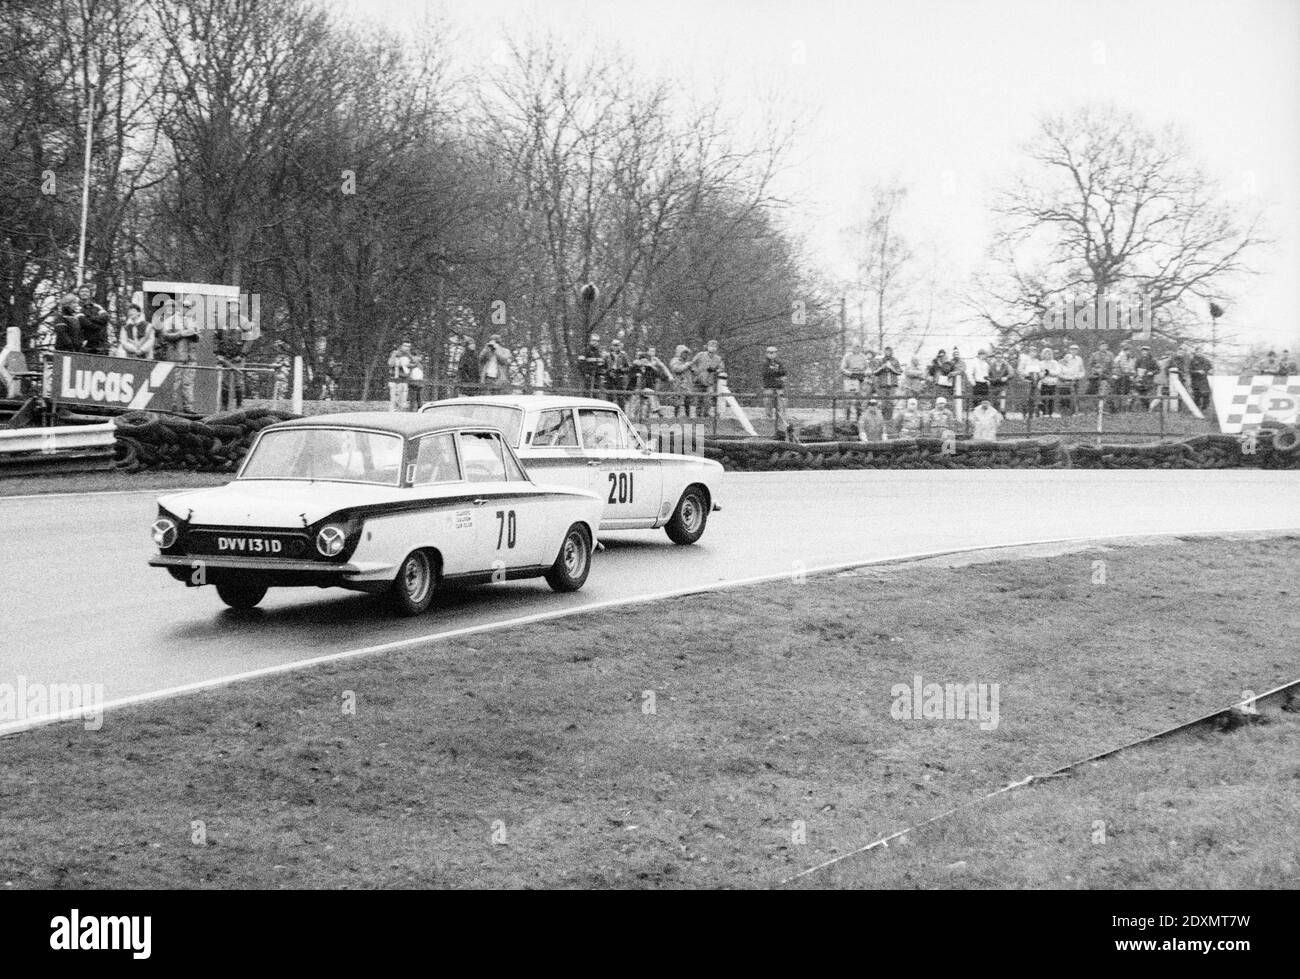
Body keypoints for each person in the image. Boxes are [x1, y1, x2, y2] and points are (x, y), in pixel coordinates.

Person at [215, 297, 256, 409]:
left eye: (235, 305)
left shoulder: (244, 321)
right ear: (228, 306)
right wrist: (218, 353)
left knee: (238, 382)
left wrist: (242, 354)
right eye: (231, 305)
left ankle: (239, 406)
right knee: (225, 383)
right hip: (225, 358)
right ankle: (224, 406)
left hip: (238, 358)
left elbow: (249, 339)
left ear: (238, 307)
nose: (233, 308)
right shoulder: (222, 321)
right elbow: (216, 339)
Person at [630, 346, 671, 422]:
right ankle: (655, 409)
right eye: (642, 360)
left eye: (645, 360)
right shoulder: (635, 367)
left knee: (649, 395)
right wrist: (636, 375)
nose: (644, 362)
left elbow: (660, 375)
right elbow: (630, 375)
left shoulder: (650, 369)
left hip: (645, 390)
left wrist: (667, 378)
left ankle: (653, 411)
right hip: (635, 390)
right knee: (635, 407)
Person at [690, 340, 726, 418]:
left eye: (714, 347)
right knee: (699, 399)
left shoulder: (718, 358)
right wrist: (695, 371)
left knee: (709, 399)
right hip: (699, 380)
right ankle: (698, 415)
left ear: (716, 348)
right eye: (711, 346)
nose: (712, 348)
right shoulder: (700, 355)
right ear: (707, 347)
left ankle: (706, 414)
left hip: (709, 381)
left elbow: (722, 368)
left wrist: (715, 370)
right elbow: (692, 364)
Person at [760, 345, 789, 437]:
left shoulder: (779, 362)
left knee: (782, 402)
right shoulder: (764, 363)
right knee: (768, 402)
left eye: (773, 352)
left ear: (776, 353)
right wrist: (777, 373)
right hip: (768, 386)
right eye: (770, 352)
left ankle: (782, 419)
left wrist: (775, 372)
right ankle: (769, 418)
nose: (772, 354)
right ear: (767, 353)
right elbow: (766, 373)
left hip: (779, 386)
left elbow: (784, 371)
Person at [76, 285, 111, 355]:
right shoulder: (75, 306)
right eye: (82, 291)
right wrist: (96, 322)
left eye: (86, 291)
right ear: (79, 293)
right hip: (83, 341)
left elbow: (105, 318)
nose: (84, 293)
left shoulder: (97, 306)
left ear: (90, 294)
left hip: (98, 342)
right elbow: (83, 323)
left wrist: (89, 317)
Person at [840, 342, 869, 421]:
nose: (857, 349)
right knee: (849, 399)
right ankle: (847, 418)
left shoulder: (863, 357)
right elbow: (842, 368)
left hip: (860, 378)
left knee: (860, 399)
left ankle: (858, 418)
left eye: (858, 347)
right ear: (852, 348)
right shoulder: (847, 356)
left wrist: (865, 373)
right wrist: (849, 373)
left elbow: (868, 368)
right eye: (855, 347)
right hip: (851, 379)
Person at [602, 337, 632, 406]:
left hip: (620, 376)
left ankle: (621, 412)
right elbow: (603, 367)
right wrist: (608, 372)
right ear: (611, 346)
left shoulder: (623, 355)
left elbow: (629, 367)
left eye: (617, 345)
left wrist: (621, 369)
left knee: (620, 397)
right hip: (609, 377)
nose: (615, 347)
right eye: (614, 345)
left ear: (620, 346)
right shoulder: (607, 356)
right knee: (609, 397)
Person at [873, 346, 901, 419]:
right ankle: (883, 419)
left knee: (891, 403)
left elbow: (899, 372)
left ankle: (890, 419)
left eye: (889, 351)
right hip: (882, 385)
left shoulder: (895, 360)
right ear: (884, 352)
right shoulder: (880, 361)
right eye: (886, 351)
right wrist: (882, 367)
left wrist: (891, 368)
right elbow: (875, 372)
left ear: (892, 352)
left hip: (892, 386)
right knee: (883, 404)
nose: (888, 352)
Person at [1058, 343, 1085, 415]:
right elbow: (1060, 372)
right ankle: (1066, 412)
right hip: (1065, 381)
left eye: (1075, 350)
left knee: (1076, 396)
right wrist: (1068, 378)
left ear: (1078, 351)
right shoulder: (1065, 359)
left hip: (1076, 380)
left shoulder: (1079, 359)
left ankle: (1076, 411)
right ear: (1070, 350)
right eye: (1072, 350)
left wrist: (1079, 376)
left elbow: (1082, 371)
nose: (1074, 351)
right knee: (1065, 397)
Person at [1087, 343, 1115, 412]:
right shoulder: (1094, 355)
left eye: (1105, 346)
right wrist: (1095, 371)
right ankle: (1094, 408)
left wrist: (1110, 374)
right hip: (1095, 377)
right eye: (1102, 346)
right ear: (1099, 347)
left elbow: (1113, 366)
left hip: (1106, 376)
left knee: (1105, 389)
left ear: (1107, 347)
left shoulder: (1110, 355)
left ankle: (1104, 407)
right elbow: (1089, 366)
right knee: (1093, 391)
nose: (1103, 347)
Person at [387, 339, 413, 411]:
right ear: (401, 346)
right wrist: (394, 356)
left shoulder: (409, 356)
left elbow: (412, 365)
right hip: (395, 379)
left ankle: (400, 415)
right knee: (394, 400)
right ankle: (392, 414)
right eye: (405, 346)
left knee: (403, 400)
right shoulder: (395, 353)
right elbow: (390, 364)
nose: (407, 348)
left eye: (409, 346)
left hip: (404, 380)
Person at [668, 344, 693, 416]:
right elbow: (676, 369)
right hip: (678, 384)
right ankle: (675, 417)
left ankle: (688, 416)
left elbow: (694, 371)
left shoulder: (687, 362)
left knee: (687, 401)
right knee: (677, 402)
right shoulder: (674, 360)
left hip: (686, 385)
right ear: (680, 353)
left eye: (686, 353)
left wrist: (692, 368)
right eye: (684, 353)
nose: (685, 355)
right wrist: (686, 365)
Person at [578, 333, 605, 397]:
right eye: (594, 340)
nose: (595, 342)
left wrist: (601, 373)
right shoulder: (585, 350)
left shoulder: (599, 352)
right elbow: (580, 364)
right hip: (588, 376)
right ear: (590, 341)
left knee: (596, 394)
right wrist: (585, 373)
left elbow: (601, 365)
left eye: (597, 341)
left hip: (597, 377)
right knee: (586, 394)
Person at [1133, 344, 1160, 411]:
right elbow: (1135, 368)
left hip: (1148, 381)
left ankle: (1148, 409)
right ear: (1141, 352)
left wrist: (1152, 372)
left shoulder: (1152, 360)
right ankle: (1143, 409)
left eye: (1146, 351)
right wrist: (1136, 374)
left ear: (1148, 352)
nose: (1144, 352)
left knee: (1147, 396)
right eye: (1143, 351)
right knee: (1141, 395)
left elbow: (1158, 369)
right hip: (1140, 380)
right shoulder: (1139, 360)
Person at [1112, 341, 1136, 412]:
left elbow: (1131, 368)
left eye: (1129, 350)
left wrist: (1132, 372)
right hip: (1119, 377)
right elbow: (1123, 368)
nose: (1128, 352)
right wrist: (1129, 372)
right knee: (1118, 393)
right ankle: (1117, 409)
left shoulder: (1131, 359)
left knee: (1128, 393)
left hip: (1126, 378)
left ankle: (1126, 408)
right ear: (1124, 350)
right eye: (1127, 350)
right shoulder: (1120, 357)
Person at [1037, 346, 1060, 418]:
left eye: (1049, 354)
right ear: (1043, 355)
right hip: (1044, 383)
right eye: (1046, 354)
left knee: (1051, 399)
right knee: (1043, 399)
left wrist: (1049, 372)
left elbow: (1057, 372)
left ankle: (1050, 413)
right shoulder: (1040, 363)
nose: (1048, 355)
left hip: (1052, 383)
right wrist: (1043, 374)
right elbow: (1039, 373)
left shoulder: (1055, 362)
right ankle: (1044, 413)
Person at [987, 348, 1012, 413]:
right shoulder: (991, 365)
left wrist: (1006, 377)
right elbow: (988, 375)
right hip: (994, 385)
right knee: (994, 401)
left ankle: (1003, 412)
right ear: (995, 357)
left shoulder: (1006, 365)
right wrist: (989, 380)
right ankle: (994, 414)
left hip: (1003, 385)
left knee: (1003, 398)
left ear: (1002, 357)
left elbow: (1012, 374)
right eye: (997, 357)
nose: (999, 359)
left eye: (1000, 357)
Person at [1188, 348, 1213, 413]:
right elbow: (1189, 371)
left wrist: (1211, 371)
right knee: (1197, 396)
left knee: (1206, 395)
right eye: (1198, 352)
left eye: (1200, 352)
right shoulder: (1192, 361)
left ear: (1202, 352)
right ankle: (1196, 410)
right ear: (1195, 352)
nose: (1199, 353)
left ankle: (1204, 409)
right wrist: (1197, 372)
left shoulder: (1207, 361)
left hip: (1205, 381)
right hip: (1195, 381)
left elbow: (1211, 369)